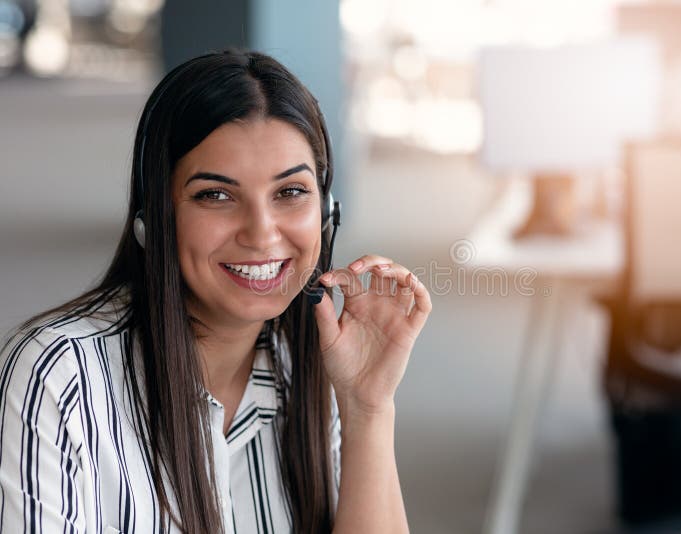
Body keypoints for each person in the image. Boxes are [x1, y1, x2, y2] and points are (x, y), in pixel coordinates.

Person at [0, 49, 431, 534]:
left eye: (290, 192)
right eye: (216, 195)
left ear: (328, 212)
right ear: (157, 216)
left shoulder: (310, 371)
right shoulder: (61, 379)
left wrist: (367, 407)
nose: (262, 233)